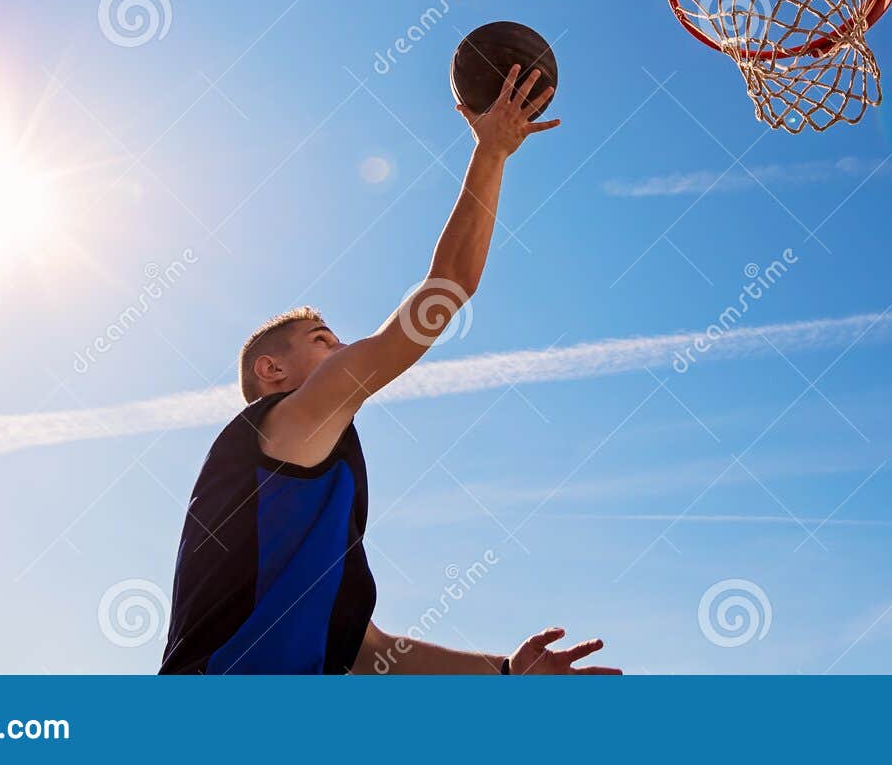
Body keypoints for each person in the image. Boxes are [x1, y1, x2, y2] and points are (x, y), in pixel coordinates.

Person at [160, 67, 620, 676]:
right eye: (323, 340)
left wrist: (508, 674)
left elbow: (371, 653)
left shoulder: (322, 479)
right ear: (271, 370)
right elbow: (448, 288)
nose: (345, 348)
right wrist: (491, 153)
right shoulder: (278, 429)